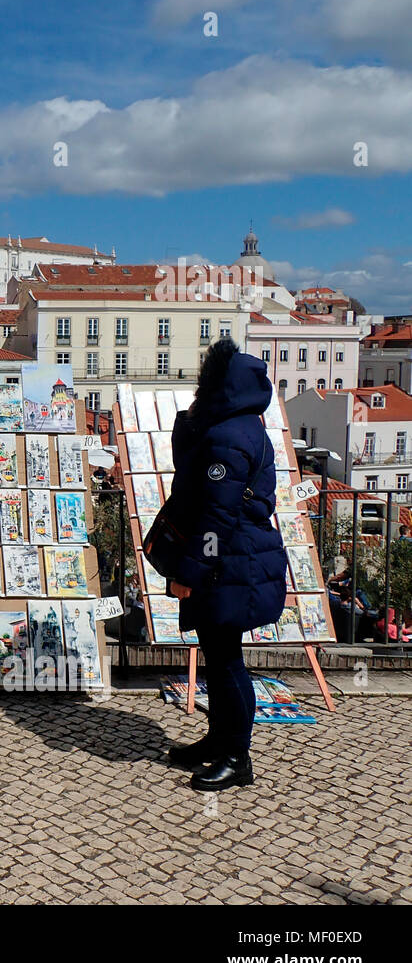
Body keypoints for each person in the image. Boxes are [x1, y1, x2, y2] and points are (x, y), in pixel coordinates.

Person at [161, 338, 286, 792]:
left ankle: (237, 756)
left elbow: (217, 515)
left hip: (229, 564)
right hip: (234, 561)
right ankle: (219, 741)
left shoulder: (230, 436)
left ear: (220, 387)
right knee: (219, 657)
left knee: (228, 661)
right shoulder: (239, 426)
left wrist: (189, 573)